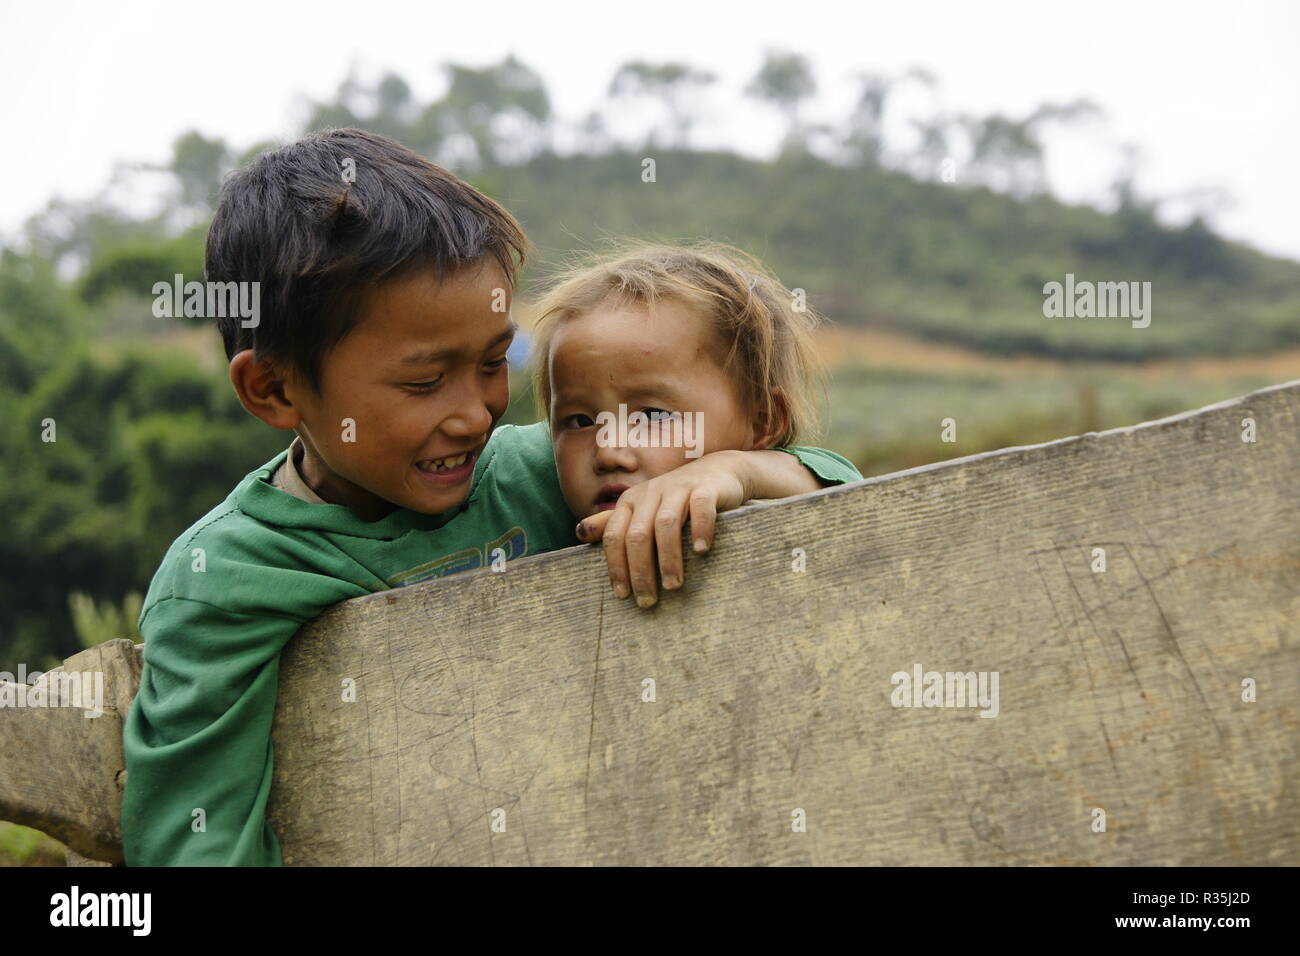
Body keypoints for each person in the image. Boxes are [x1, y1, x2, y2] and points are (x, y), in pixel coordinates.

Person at [121, 129, 860, 865]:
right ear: (275, 388)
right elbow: (197, 839)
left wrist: (732, 473)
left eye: (489, 363)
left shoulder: (553, 467)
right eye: (423, 382)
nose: (477, 414)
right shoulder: (221, 582)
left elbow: (845, 497)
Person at [532, 241, 861, 607]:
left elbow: (850, 494)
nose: (608, 452)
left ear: (763, 421)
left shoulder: (766, 493)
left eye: (653, 416)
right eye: (580, 421)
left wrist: (739, 472)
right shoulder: (532, 491)